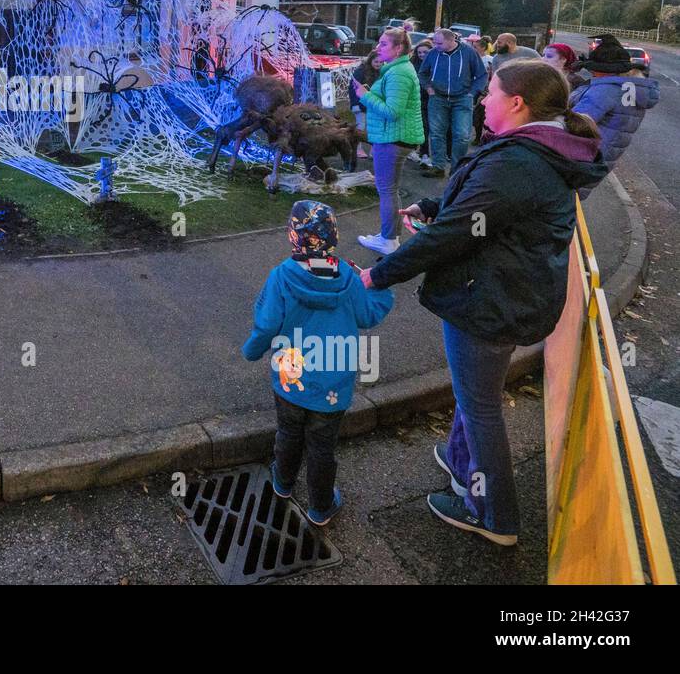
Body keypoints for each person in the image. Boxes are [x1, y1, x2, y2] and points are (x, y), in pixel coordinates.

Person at [361, 60, 607, 545]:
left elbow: (458, 232)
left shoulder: (520, 159)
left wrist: (378, 275)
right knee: (472, 394)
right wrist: (433, 207)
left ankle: (495, 516)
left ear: (517, 103)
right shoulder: (531, 148)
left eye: (490, 92)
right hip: (500, 291)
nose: (481, 99)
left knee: (480, 408)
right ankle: (462, 466)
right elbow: (485, 208)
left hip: (490, 299)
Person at [242, 201, 393, 526]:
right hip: (332, 387)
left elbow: (267, 324)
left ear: (294, 237)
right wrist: (383, 290)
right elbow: (368, 314)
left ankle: (282, 482)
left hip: (288, 379)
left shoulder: (282, 276)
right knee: (322, 447)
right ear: (333, 237)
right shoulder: (349, 279)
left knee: (288, 433)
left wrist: (252, 350)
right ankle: (321, 506)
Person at [351, 27, 423, 254]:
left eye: (383, 44)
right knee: (389, 189)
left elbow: (393, 112)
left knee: (387, 190)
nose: (377, 48)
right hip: (393, 137)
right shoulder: (396, 69)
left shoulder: (399, 73)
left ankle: (389, 240)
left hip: (393, 139)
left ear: (398, 48)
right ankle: (388, 236)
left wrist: (366, 96)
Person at [569, 34, 659, 173]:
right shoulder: (629, 89)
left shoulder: (604, 91)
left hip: (581, 157)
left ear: (598, 69)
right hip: (603, 158)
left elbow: (574, 124)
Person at [418, 28, 488, 177]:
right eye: (435, 42)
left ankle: (457, 169)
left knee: (462, 135)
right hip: (438, 98)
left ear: (451, 40)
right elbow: (422, 73)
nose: (435, 45)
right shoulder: (433, 53)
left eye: (439, 42)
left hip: (462, 98)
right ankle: (438, 167)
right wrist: (428, 88)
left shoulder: (469, 53)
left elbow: (481, 75)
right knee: (437, 133)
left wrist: (472, 93)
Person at [348, 48, 380, 159]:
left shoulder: (382, 72)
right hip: (361, 104)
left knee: (375, 127)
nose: (378, 64)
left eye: (381, 62)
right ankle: (357, 148)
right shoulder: (361, 71)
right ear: (370, 60)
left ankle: (374, 150)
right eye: (376, 62)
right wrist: (354, 104)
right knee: (360, 126)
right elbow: (353, 88)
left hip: (374, 105)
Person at [407, 38, 434, 164]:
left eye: (425, 52)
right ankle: (423, 152)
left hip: (433, 99)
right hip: (417, 100)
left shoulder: (436, 63)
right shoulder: (413, 64)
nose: (422, 55)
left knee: (431, 128)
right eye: (419, 53)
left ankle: (425, 152)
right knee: (422, 127)